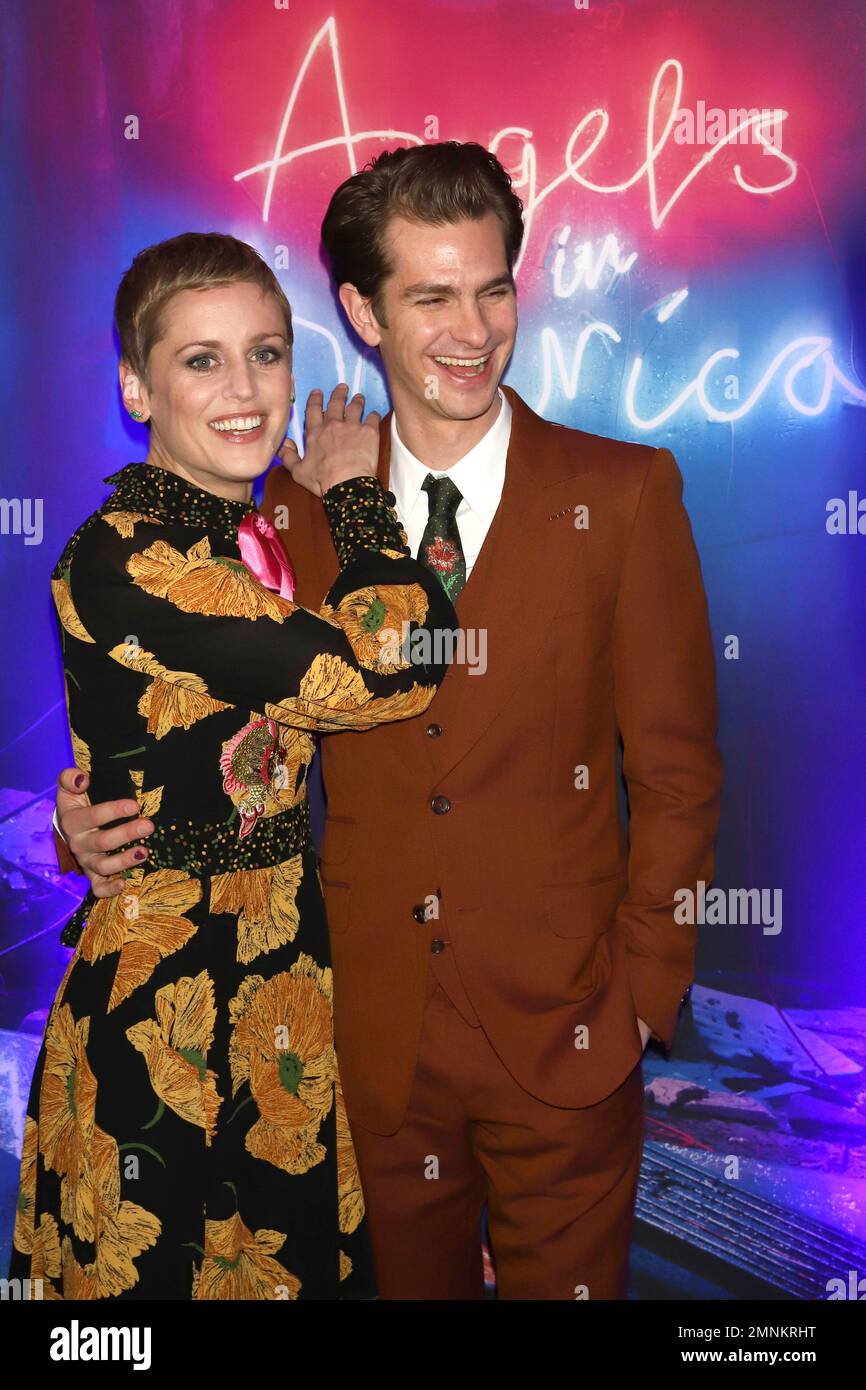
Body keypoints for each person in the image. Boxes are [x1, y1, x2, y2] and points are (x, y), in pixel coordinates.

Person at [53, 144, 724, 1300]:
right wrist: (92, 817)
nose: (472, 328)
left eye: (493, 287)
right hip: (353, 1042)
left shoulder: (621, 493)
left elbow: (676, 773)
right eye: (429, 295)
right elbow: (193, 713)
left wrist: (636, 1001)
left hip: (566, 1039)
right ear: (361, 311)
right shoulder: (285, 516)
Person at [9, 230, 460, 1300]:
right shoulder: (130, 552)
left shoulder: (245, 528)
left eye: (264, 353)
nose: (243, 387)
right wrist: (358, 495)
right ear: (136, 385)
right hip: (166, 994)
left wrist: (90, 811)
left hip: (280, 975)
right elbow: (390, 672)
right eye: (201, 360)